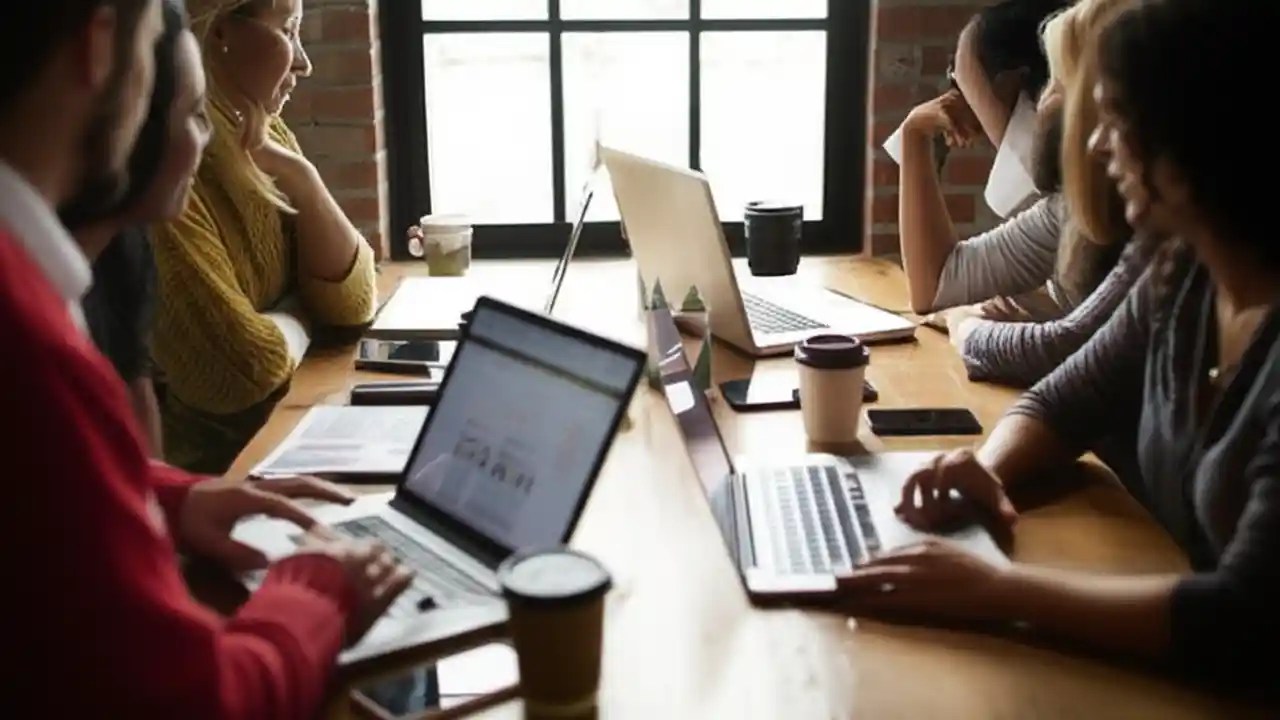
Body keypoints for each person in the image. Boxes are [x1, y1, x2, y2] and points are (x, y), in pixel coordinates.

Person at [842, 0, 1279, 694]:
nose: (1099, 147)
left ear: (1196, 137)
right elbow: (1066, 396)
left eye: (1120, 122)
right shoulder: (1178, 267)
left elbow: (1244, 619)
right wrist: (987, 469)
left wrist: (998, 591)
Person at [1, 1, 410, 715]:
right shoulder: (31, 342)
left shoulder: (30, 282)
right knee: (393, 660)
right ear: (101, 43)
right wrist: (316, 586)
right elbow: (201, 701)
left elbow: (40, 499)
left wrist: (168, 495)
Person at [154, 0, 377, 473]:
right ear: (218, 33)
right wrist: (300, 315)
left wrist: (301, 175)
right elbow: (241, 369)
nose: (304, 61)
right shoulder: (167, 168)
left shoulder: (260, 131)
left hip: (280, 445)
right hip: (204, 486)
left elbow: (353, 302)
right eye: (289, 30)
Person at [943, 0, 1144, 387]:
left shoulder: (1161, 241)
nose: (1046, 99)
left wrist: (966, 324)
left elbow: (1066, 349)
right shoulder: (1087, 217)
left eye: (1061, 81)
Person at [60, 0, 211, 452]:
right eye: (194, 114)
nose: (207, 138)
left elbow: (139, 451)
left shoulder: (122, 249)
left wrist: (180, 500)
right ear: (134, 120)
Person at [895, 0, 1073, 316]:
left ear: (1009, 83)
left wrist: (915, 135)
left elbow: (935, 291)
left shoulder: (1076, 206)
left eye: (958, 80)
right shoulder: (1064, 206)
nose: (957, 97)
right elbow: (937, 287)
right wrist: (914, 134)